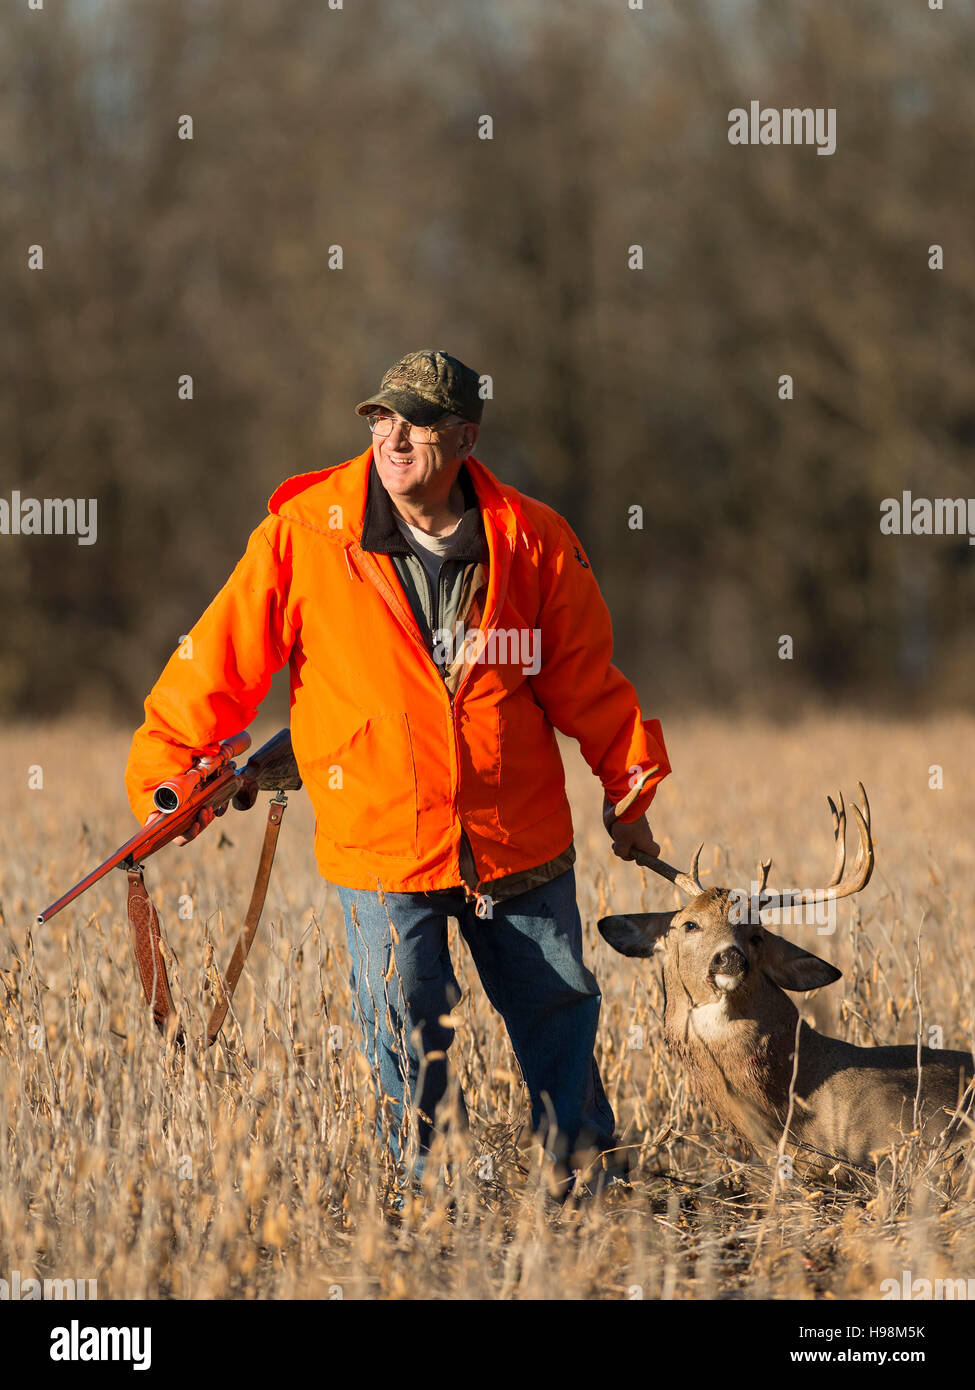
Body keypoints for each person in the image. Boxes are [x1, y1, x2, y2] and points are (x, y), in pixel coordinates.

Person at [126, 349, 671, 1201]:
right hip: (381, 839)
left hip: (514, 832)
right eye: (381, 418)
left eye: (416, 422)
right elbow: (215, 662)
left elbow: (586, 682)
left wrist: (628, 789)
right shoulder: (307, 535)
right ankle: (432, 1195)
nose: (393, 437)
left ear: (465, 438)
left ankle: (585, 1179)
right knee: (406, 1023)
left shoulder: (532, 538)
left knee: (558, 1006)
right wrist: (171, 773)